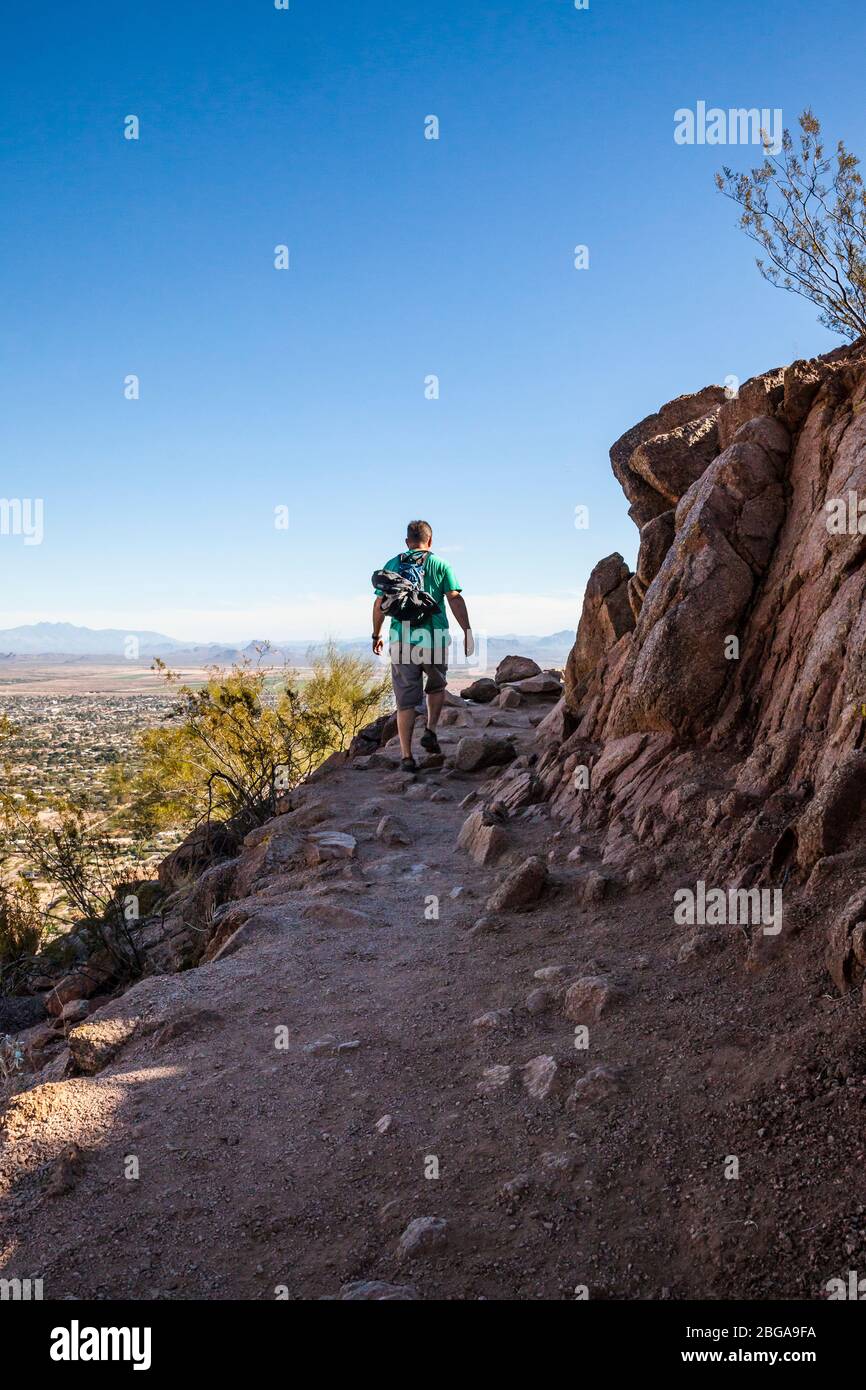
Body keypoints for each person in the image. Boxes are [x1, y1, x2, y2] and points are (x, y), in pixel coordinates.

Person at [372, 520, 472, 772]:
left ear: (407, 542)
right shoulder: (441, 565)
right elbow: (455, 599)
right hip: (434, 637)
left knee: (405, 701)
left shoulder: (393, 565)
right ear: (430, 541)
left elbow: (378, 605)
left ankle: (406, 757)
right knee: (436, 686)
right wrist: (467, 630)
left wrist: (376, 635)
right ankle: (430, 729)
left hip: (402, 639)